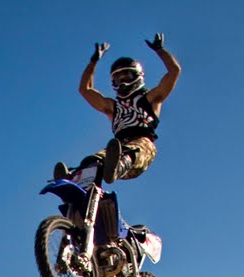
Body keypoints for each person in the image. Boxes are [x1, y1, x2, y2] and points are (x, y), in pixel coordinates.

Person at [55, 34, 181, 184]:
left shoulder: (150, 98)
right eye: (117, 79)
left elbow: (174, 72)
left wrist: (160, 50)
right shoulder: (112, 106)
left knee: (138, 148)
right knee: (95, 159)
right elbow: (85, 90)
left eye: (126, 77)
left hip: (141, 147)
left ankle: (119, 165)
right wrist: (93, 62)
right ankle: (76, 179)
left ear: (137, 76)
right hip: (118, 146)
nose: (122, 82)